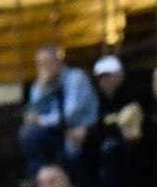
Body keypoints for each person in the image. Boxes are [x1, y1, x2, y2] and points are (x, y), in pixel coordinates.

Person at [21, 45, 99, 178]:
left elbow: (70, 114)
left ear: (59, 62)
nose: (43, 68)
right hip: (58, 128)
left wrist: (41, 120)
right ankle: (37, 182)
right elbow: (33, 112)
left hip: (84, 127)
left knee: (69, 146)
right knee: (29, 134)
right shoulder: (40, 84)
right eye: (40, 64)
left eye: (47, 63)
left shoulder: (76, 78)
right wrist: (42, 88)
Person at [90, 55, 145, 187]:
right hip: (110, 140)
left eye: (108, 76)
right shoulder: (100, 98)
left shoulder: (133, 92)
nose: (104, 81)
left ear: (120, 75)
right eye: (101, 77)